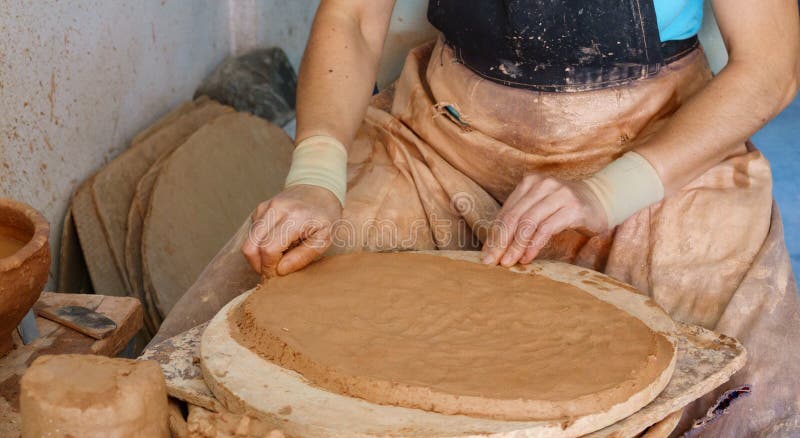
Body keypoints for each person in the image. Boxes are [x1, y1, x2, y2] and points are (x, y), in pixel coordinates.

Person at [154, 1, 800, 435]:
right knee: (285, 288)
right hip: (443, 128)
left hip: (657, 144)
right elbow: (350, 20)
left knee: (710, 361)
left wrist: (610, 193)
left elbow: (771, 68)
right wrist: (317, 179)